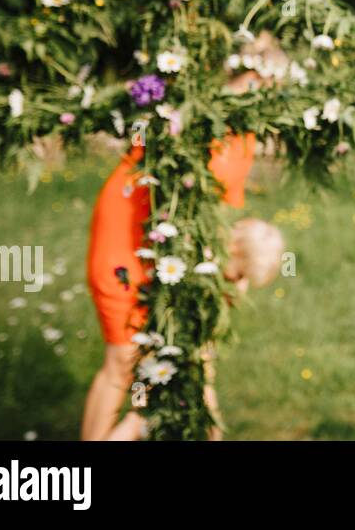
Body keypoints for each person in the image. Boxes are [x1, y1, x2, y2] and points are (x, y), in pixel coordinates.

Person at [81, 67, 285, 441]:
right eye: (249, 83)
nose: (253, 94)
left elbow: (219, 211)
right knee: (123, 360)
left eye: (266, 88)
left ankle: (141, 420)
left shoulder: (244, 141)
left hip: (166, 251)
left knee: (162, 355)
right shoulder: (190, 111)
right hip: (126, 232)